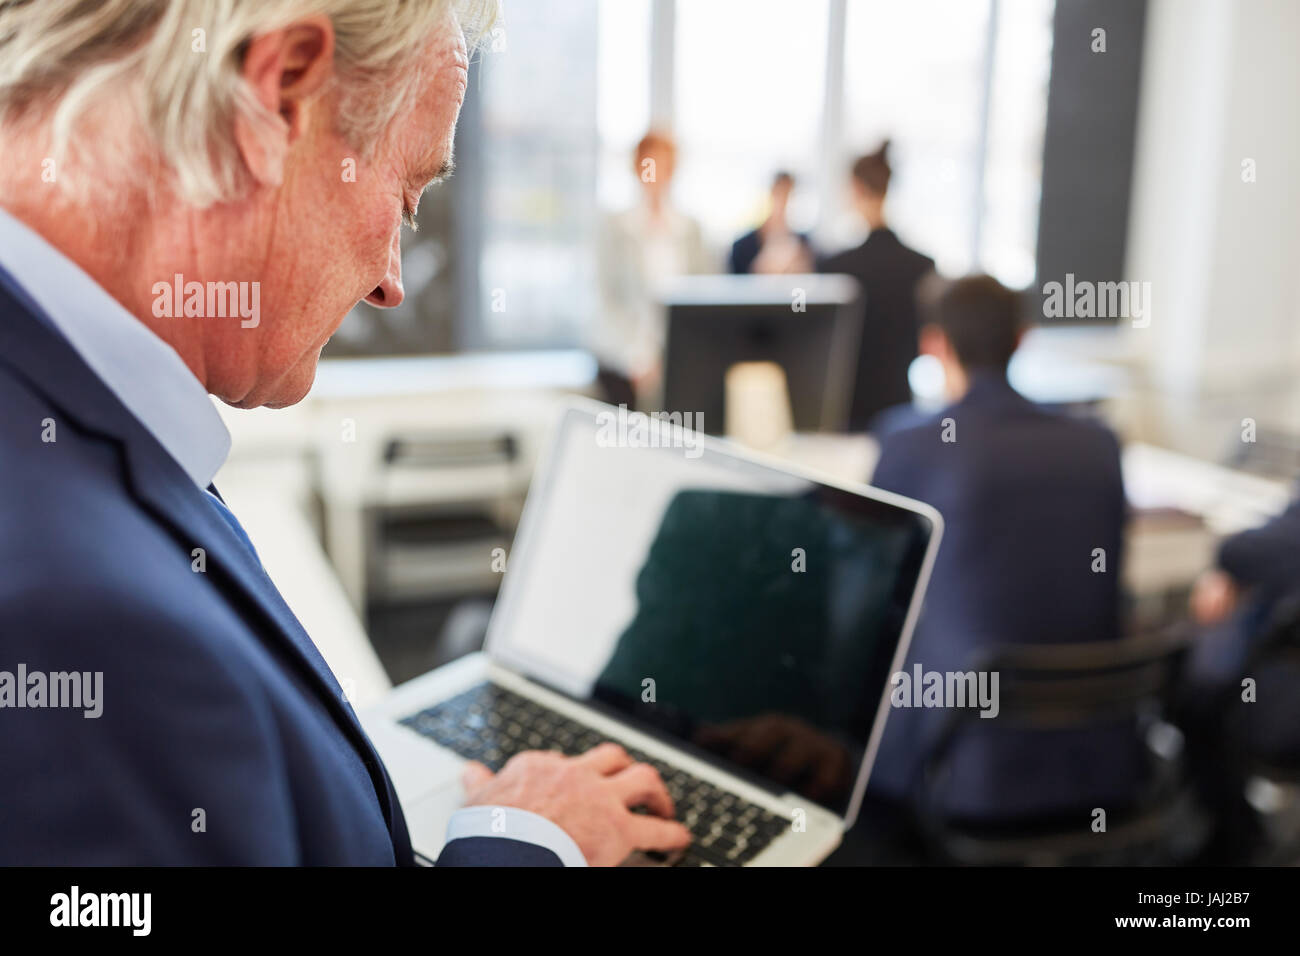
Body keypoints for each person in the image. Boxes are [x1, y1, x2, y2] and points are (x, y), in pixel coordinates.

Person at [0, 0, 690, 867]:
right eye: (406, 195)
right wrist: (526, 842)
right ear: (280, 95)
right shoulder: (84, 619)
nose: (391, 282)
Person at [865, 275, 1136, 824]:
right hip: (1096, 758)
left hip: (955, 763)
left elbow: (871, 592)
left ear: (934, 345)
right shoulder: (1099, 445)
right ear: (1023, 338)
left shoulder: (908, 444)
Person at [818, 141, 935, 432]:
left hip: (844, 413)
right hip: (900, 409)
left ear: (855, 189)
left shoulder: (835, 267)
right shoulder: (922, 266)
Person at [593, 130, 712, 409]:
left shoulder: (691, 230)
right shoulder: (615, 228)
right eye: (650, 165)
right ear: (637, 168)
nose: (656, 176)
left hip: (679, 359)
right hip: (624, 361)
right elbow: (607, 300)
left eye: (664, 166)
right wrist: (638, 357)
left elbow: (703, 299)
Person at [729, 171, 814, 275]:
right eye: (780, 193)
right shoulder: (742, 246)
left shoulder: (805, 245)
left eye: (789, 195)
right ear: (770, 194)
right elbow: (737, 284)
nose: (784, 202)